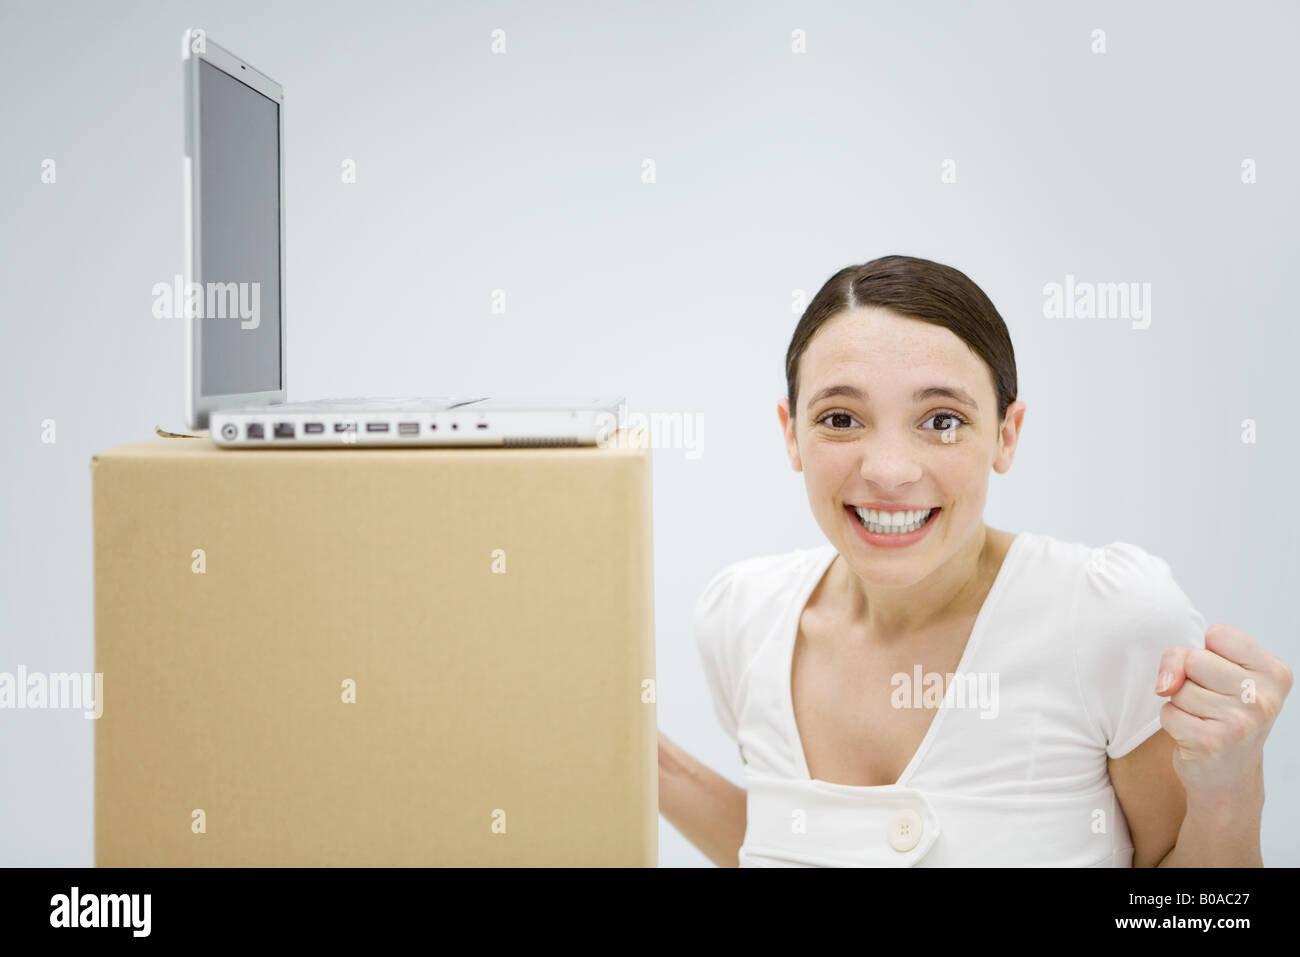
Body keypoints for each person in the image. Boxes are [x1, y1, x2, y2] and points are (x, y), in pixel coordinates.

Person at [659, 254, 1292, 867]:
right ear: (790, 432)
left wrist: (1232, 788)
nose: (889, 471)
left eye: (941, 420)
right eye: (841, 418)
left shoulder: (1108, 620)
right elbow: (787, 842)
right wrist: (617, 739)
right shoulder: (742, 618)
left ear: (1006, 434)